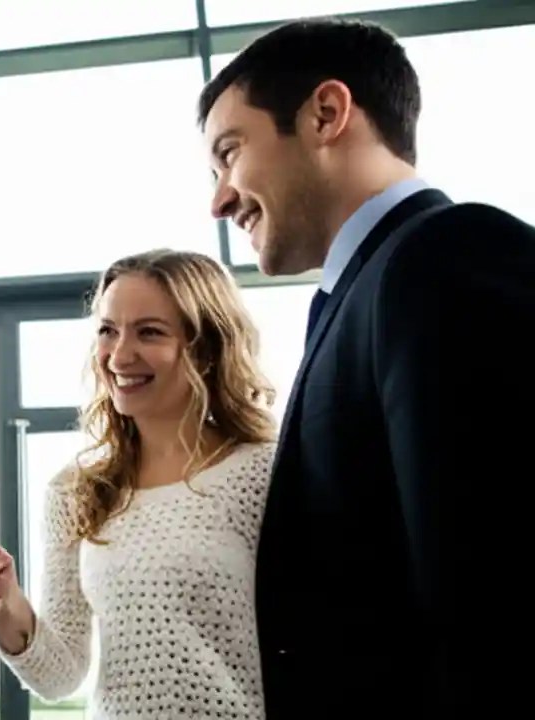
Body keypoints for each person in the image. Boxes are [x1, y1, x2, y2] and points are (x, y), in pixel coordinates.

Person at [198, 18, 535, 718]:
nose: (220, 198)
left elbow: (494, 602)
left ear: (326, 113)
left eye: (229, 153)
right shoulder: (373, 288)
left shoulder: (445, 259)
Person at [0, 249, 279, 718]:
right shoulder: (75, 491)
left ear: (206, 348)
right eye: (108, 330)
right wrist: (5, 609)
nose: (120, 354)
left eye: (149, 332)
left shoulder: (265, 473)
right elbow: (61, 674)